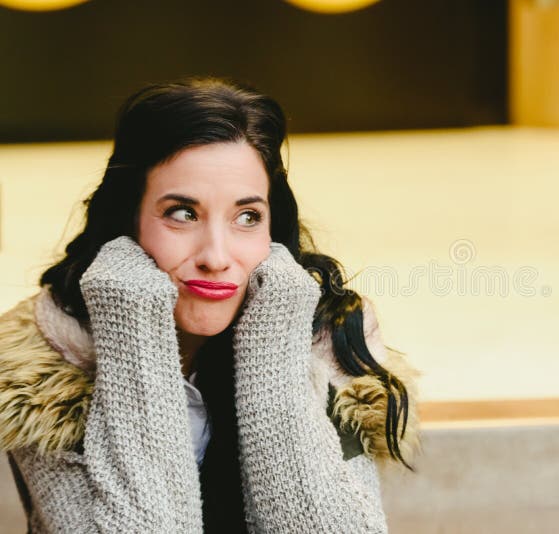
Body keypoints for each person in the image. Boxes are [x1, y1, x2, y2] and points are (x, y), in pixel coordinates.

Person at [0, 78, 420, 533]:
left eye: (247, 217)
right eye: (183, 213)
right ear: (128, 220)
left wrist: (273, 356)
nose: (216, 257)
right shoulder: (48, 367)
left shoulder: (329, 344)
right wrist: (134, 337)